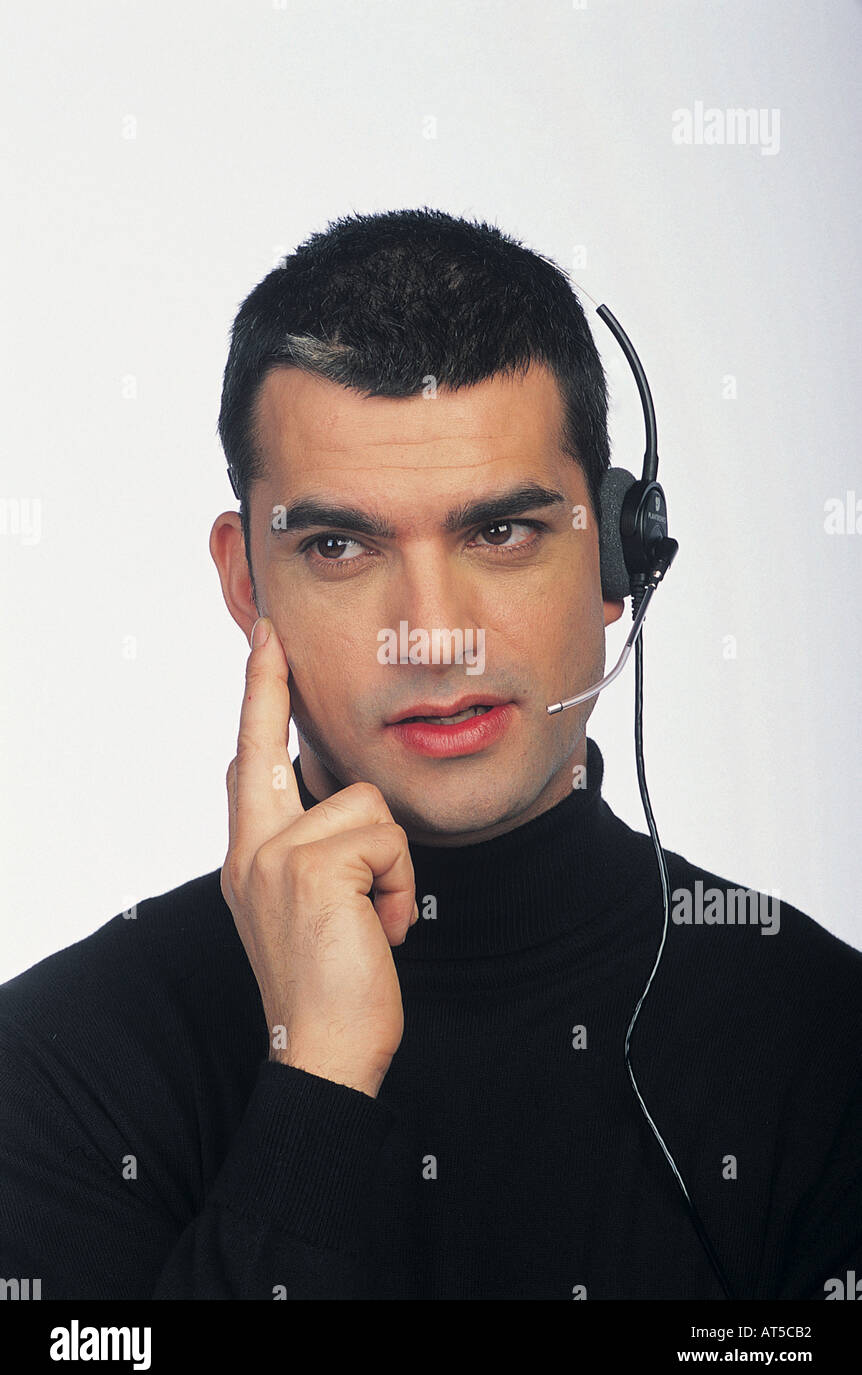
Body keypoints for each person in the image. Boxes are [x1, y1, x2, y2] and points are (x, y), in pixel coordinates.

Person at [1, 208, 860, 1301]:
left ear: (619, 556)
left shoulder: (827, 1047)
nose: (433, 631)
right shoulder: (50, 1069)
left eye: (500, 532)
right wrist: (315, 1080)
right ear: (244, 582)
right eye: (339, 546)